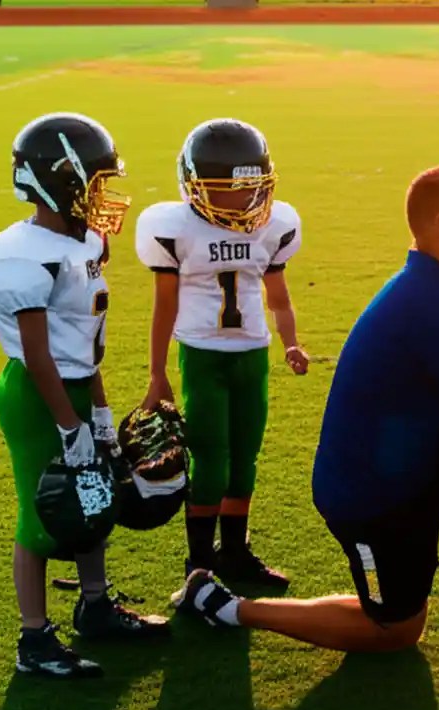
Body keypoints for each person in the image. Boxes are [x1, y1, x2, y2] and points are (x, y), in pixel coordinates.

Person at [173, 165, 439, 651]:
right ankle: (225, 607)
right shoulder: (433, 300)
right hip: (371, 491)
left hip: (416, 452)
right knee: (396, 630)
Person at [0, 112, 168, 679]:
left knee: (95, 498)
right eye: (96, 182)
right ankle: (33, 640)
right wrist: (70, 427)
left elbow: (85, 343)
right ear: (61, 182)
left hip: (78, 385)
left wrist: (102, 417)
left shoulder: (86, 240)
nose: (105, 195)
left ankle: (95, 605)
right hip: (39, 397)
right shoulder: (20, 252)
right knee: (43, 512)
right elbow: (40, 356)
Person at [135, 118, 307, 590]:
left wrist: (290, 341)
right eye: (223, 190)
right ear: (192, 186)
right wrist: (157, 372)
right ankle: (198, 562)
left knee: (245, 456)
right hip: (203, 355)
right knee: (210, 459)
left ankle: (234, 551)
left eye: (250, 189)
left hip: (252, 353)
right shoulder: (175, 228)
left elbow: (280, 297)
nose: (241, 201)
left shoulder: (274, 225)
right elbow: (164, 305)